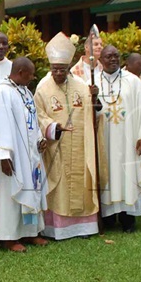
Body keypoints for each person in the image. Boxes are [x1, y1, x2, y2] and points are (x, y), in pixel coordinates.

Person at [34, 33, 100, 239]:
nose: (59, 73)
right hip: (58, 147)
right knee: (59, 185)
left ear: (68, 67)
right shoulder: (42, 89)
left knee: (81, 181)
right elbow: (39, 115)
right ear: (50, 68)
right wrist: (54, 128)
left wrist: (95, 98)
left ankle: (84, 228)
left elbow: (93, 113)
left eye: (62, 69)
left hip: (81, 145)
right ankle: (58, 230)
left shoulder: (81, 86)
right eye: (55, 69)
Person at [0, 57, 49, 251]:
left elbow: (32, 120)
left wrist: (39, 138)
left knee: (31, 190)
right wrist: (3, 155)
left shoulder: (26, 92)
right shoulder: (1, 92)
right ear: (21, 72)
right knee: (11, 194)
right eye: (31, 73)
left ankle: (30, 233)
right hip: (13, 155)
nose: (33, 77)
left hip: (30, 154)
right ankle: (9, 237)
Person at [94, 46, 141, 232]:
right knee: (107, 173)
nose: (112, 59)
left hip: (129, 137)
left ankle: (128, 218)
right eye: (108, 56)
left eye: (116, 56)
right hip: (104, 138)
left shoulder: (133, 81)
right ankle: (108, 217)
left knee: (128, 173)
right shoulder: (93, 82)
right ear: (100, 60)